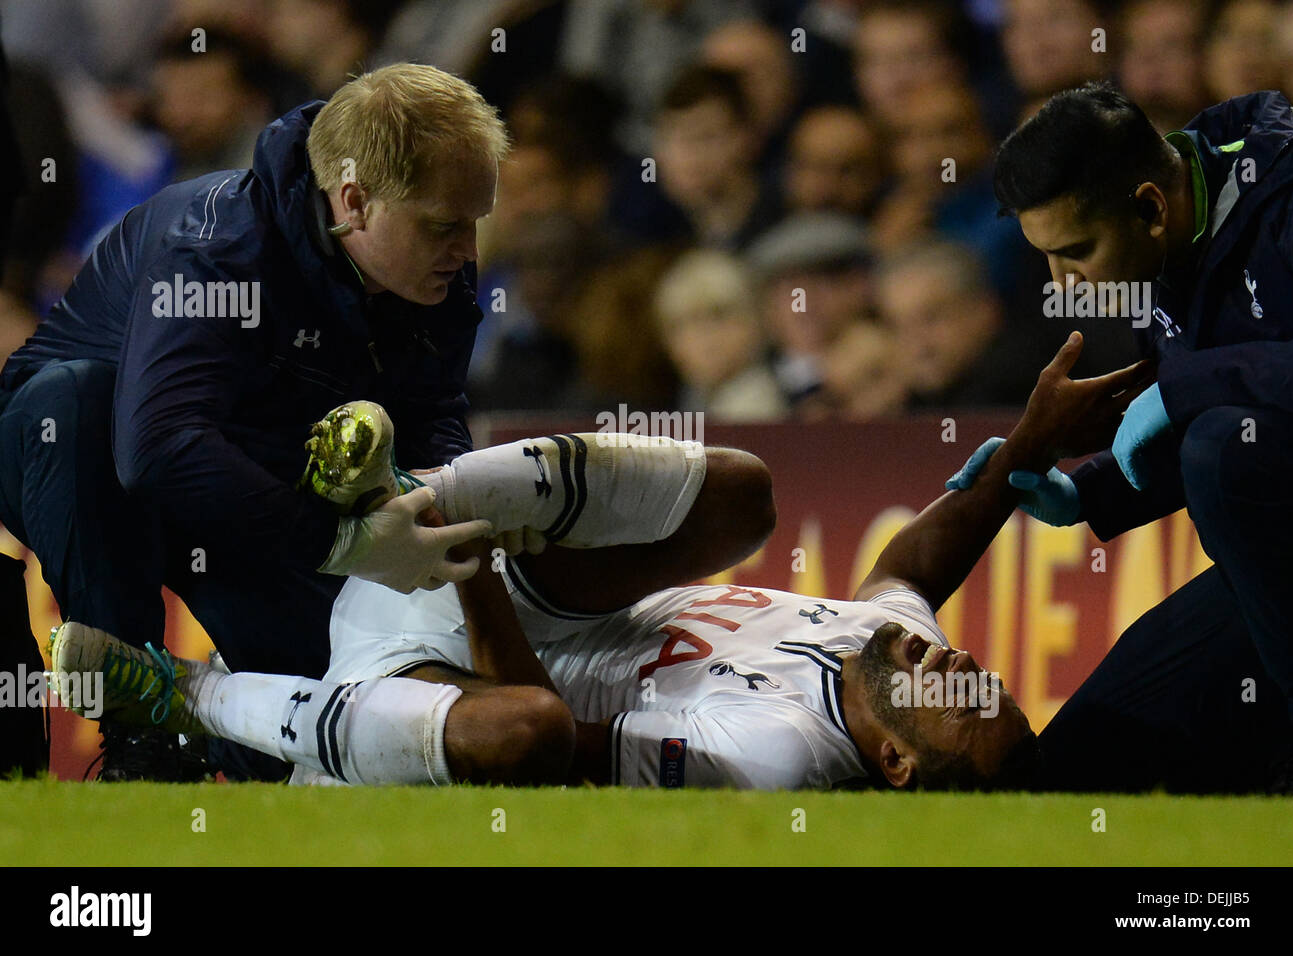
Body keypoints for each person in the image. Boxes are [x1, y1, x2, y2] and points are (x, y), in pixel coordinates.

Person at [55, 334, 1151, 790]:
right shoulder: (886, 649)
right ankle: (395, 498)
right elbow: (915, 555)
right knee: (744, 495)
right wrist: (1024, 446)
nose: (948, 654)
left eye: (957, 695)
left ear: (901, 764)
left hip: (445, 675)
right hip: (495, 564)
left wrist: (468, 573)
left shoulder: (773, 756)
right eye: (977, 668)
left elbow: (544, 739)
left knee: (521, 731)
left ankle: (188, 692)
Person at [0, 63, 507, 779]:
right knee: (75, 400)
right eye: (445, 226)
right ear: (356, 201)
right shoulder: (214, 247)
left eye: (474, 223)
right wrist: (342, 545)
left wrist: (434, 502)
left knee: (362, 714)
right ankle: (136, 728)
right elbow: (157, 450)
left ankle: (201, 723)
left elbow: (433, 412)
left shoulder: (433, 259)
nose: (465, 250)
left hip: (254, 481)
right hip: (87, 461)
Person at [951, 81, 1293, 787]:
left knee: (1220, 450)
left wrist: (1186, 388)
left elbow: (1227, 438)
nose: (1064, 282)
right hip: (1277, 575)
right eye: (1046, 258)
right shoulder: (1169, 247)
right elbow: (1251, 433)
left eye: (1076, 251)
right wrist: (1086, 493)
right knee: (1073, 769)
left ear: (1149, 206)